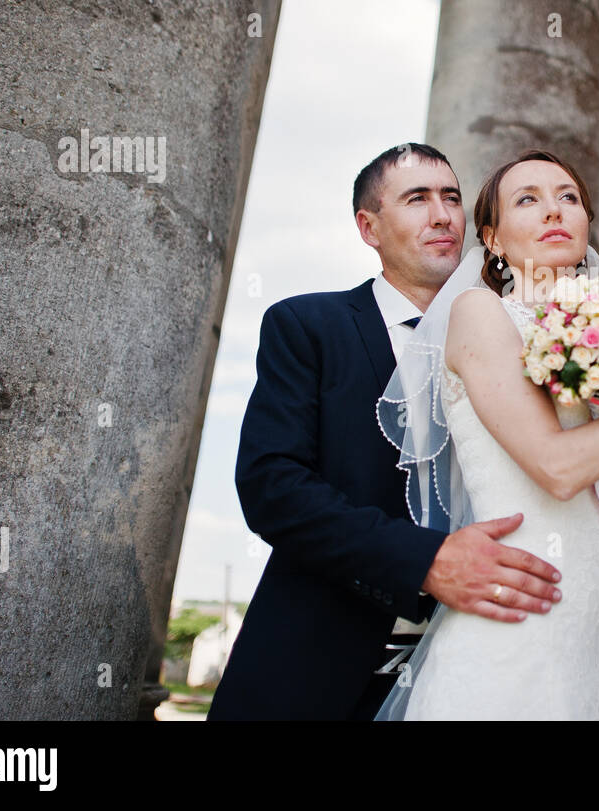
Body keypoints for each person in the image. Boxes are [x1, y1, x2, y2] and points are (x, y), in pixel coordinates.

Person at [208, 144, 565, 720]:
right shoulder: (306, 326)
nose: (443, 215)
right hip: (315, 667)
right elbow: (273, 488)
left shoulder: (527, 337)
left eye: (452, 197)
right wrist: (425, 560)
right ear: (368, 227)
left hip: (477, 668)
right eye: (417, 198)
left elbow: (574, 456)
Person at [375, 148, 599, 720]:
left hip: (585, 646)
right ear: (491, 238)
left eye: (569, 198)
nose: (554, 211)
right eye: (527, 200)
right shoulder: (479, 313)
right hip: (508, 628)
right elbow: (558, 471)